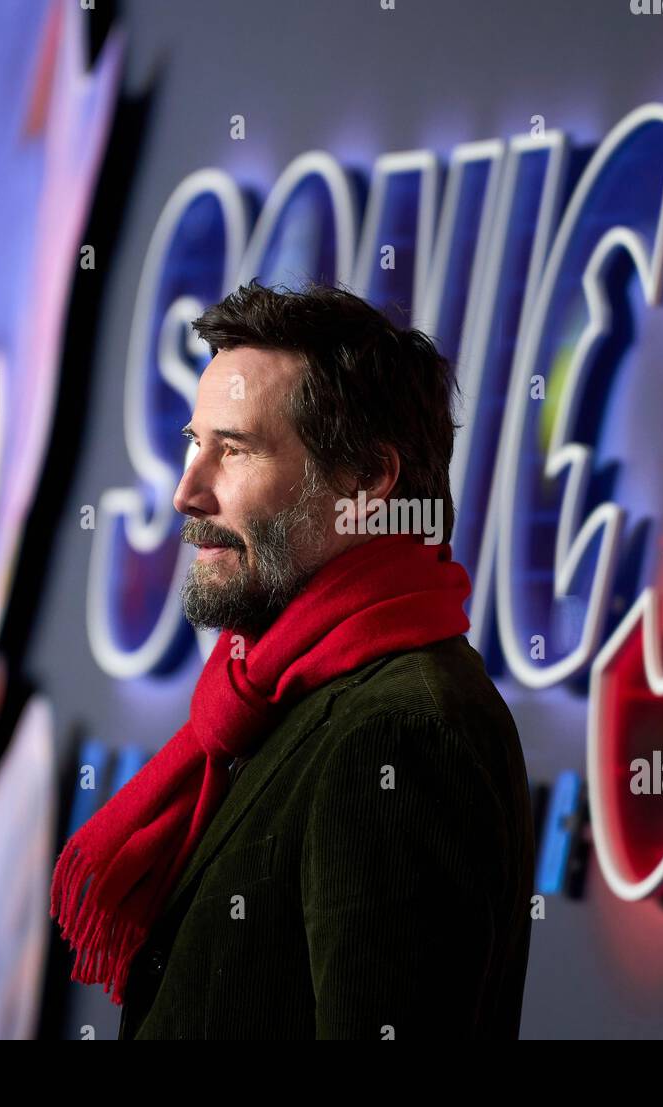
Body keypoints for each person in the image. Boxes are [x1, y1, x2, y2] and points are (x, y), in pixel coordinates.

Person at [50, 279, 536, 1039]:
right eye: (193, 444)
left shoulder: (400, 734)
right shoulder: (272, 700)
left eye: (235, 451)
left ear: (367, 483)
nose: (186, 493)